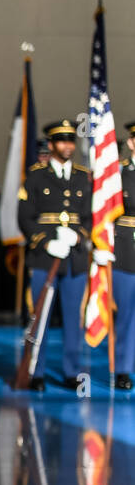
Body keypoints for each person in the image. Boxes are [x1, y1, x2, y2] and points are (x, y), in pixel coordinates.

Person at [17, 118, 92, 391]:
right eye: (61, 140)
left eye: (71, 140)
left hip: (75, 259)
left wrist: (78, 235)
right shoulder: (36, 176)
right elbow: (25, 217)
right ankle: (35, 370)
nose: (67, 146)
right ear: (51, 144)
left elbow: (91, 216)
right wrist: (46, 242)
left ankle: (72, 372)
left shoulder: (84, 177)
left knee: (74, 318)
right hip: (44, 257)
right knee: (40, 317)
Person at [112, 120, 135, 390]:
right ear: (130, 143)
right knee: (127, 314)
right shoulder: (118, 174)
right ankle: (124, 369)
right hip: (126, 248)